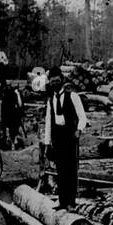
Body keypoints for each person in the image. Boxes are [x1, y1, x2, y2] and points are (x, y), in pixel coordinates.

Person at [41, 66, 87, 210]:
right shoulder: (51, 100)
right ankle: (62, 201)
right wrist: (47, 143)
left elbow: (82, 117)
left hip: (70, 137)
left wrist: (79, 130)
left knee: (71, 170)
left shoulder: (72, 96)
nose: (55, 83)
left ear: (61, 80)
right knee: (60, 170)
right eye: (52, 81)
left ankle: (71, 202)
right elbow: (49, 122)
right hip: (57, 138)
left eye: (57, 80)